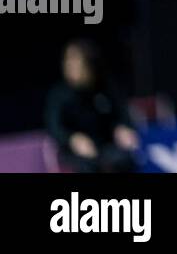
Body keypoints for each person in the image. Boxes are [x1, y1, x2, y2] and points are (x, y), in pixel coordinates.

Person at [45, 40, 140, 173]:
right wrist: (72, 139)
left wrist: (122, 128)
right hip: (75, 152)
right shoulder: (59, 94)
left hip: (106, 146)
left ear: (90, 65)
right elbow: (54, 127)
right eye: (67, 61)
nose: (70, 66)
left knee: (125, 159)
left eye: (76, 62)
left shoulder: (106, 88)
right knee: (87, 166)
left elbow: (123, 115)